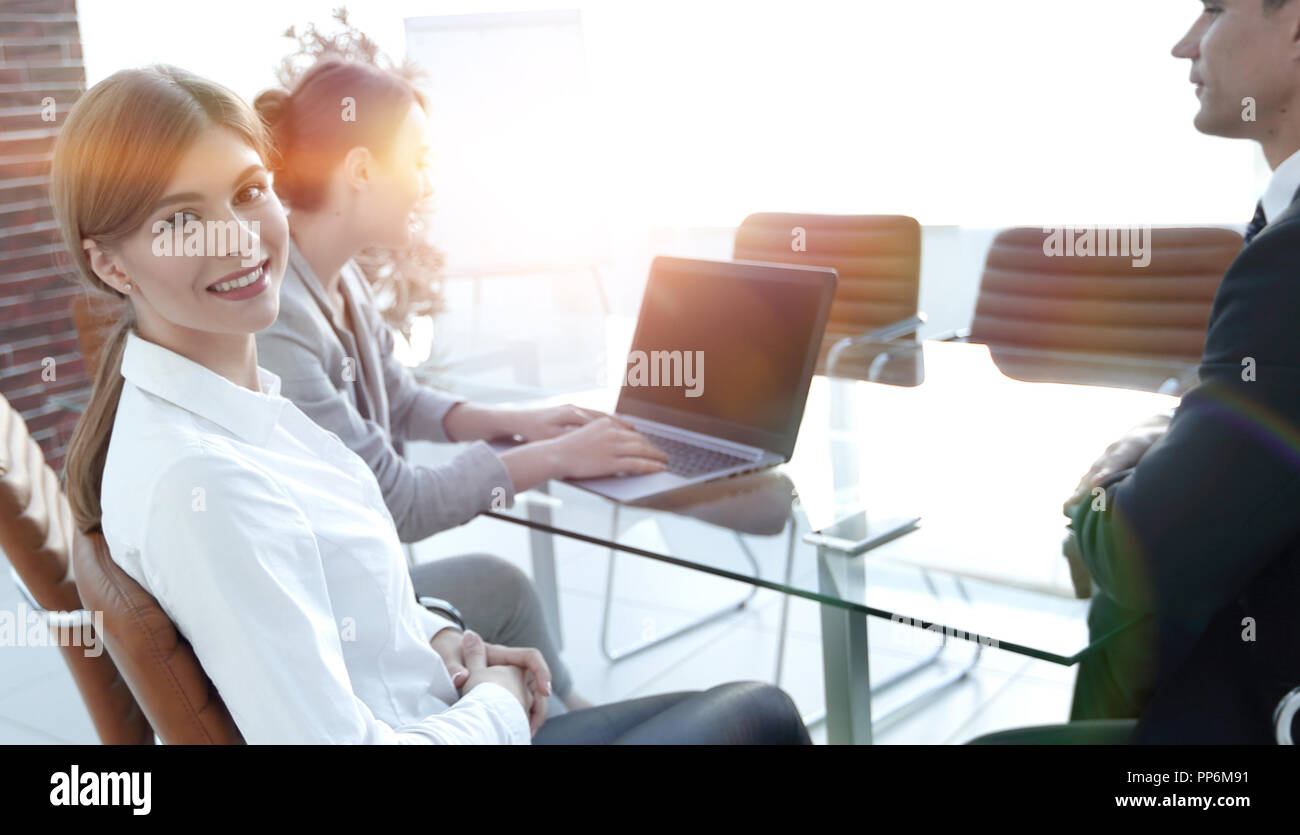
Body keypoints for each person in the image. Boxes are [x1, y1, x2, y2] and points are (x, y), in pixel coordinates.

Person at [53, 64, 809, 745]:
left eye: (249, 191)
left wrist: (443, 638)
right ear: (110, 263)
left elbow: (349, 575)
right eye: (181, 220)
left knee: (731, 703)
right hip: (446, 724)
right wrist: (499, 697)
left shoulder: (235, 404)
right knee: (761, 713)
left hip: (433, 700)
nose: (238, 239)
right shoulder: (206, 484)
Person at [251, 60, 672, 712]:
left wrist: (523, 422)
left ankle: (572, 717)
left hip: (361, 583)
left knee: (505, 587)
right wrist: (556, 457)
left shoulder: (334, 275)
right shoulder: (282, 321)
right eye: (415, 161)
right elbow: (402, 501)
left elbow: (406, 398)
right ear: (361, 171)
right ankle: (573, 723)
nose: (426, 185)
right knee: (500, 588)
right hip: (332, 609)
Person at [982, 0, 1300, 744]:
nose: (1182, 44)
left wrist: (1095, 502)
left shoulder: (1288, 261)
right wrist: (1173, 435)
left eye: (1215, 9)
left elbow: (1146, 551)